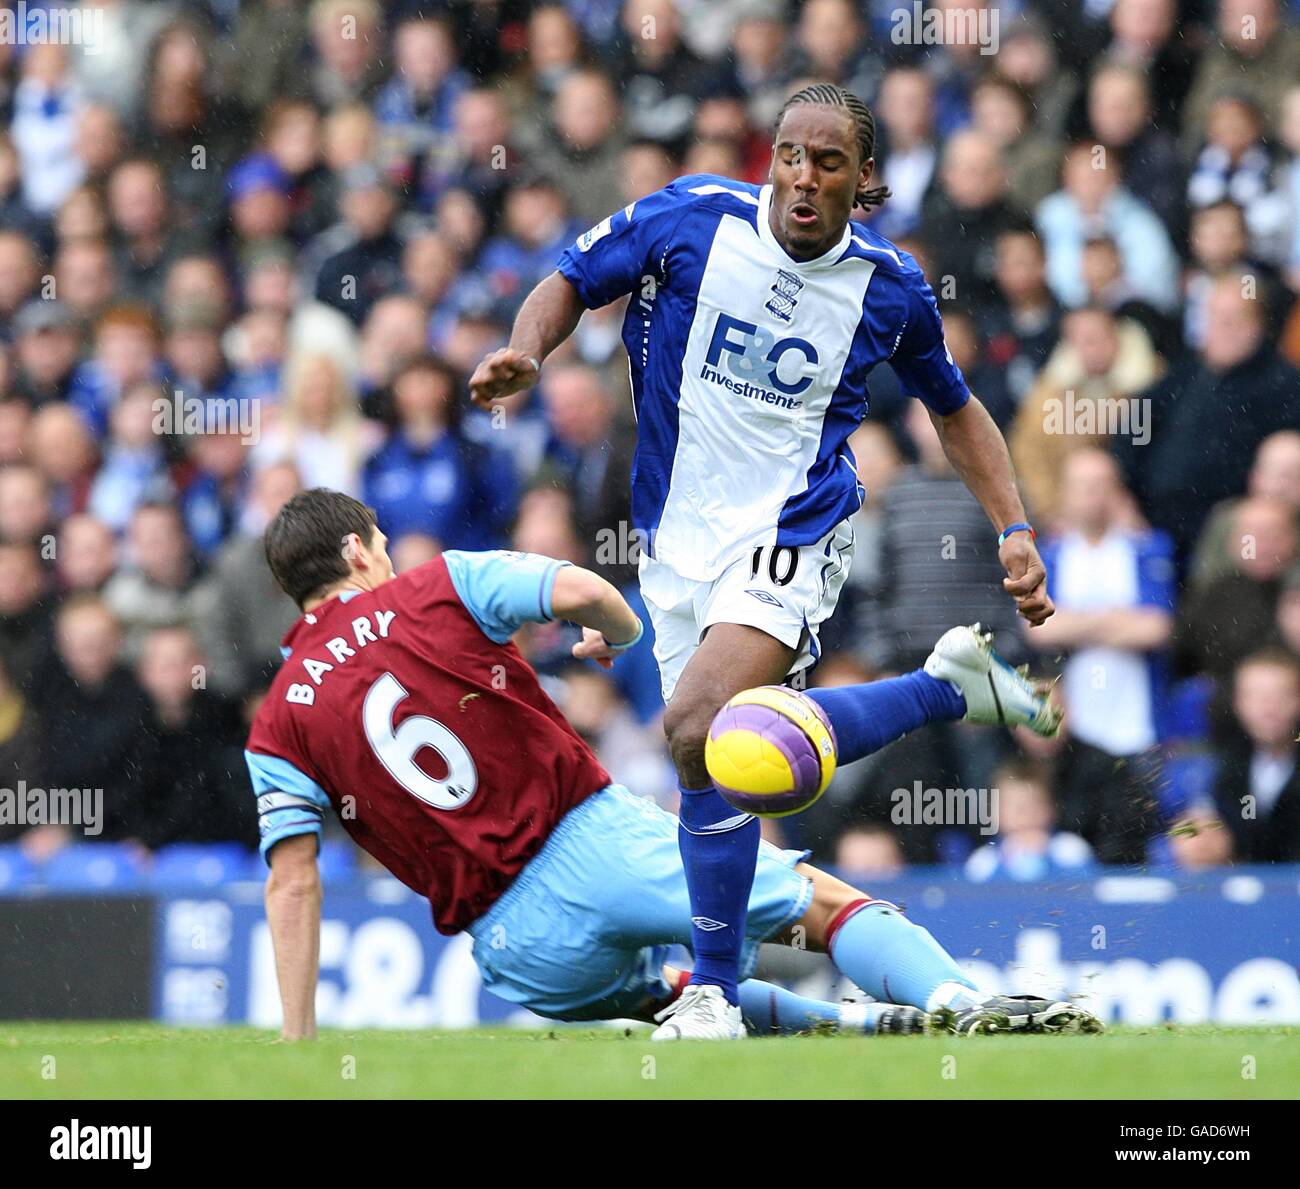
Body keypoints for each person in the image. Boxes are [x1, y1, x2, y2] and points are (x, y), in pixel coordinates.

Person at [468, 82, 1057, 1040]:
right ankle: (944, 686)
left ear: (864, 178)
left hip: (795, 532)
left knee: (702, 720)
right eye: (789, 155)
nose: (802, 179)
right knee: (714, 764)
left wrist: (1015, 531)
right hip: (674, 547)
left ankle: (710, 991)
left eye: (828, 163)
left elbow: (953, 409)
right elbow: (571, 278)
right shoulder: (690, 217)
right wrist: (527, 348)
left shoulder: (890, 286)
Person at [246, 488, 1096, 1043]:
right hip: (589, 841)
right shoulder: (435, 584)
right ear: (360, 552)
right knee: (815, 904)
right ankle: (959, 1002)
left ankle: (861, 1032)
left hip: (512, 946)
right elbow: (583, 591)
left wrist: (299, 1039)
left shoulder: (277, 721)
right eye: (382, 544)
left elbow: (293, 881)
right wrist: (612, 638)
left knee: (683, 999)